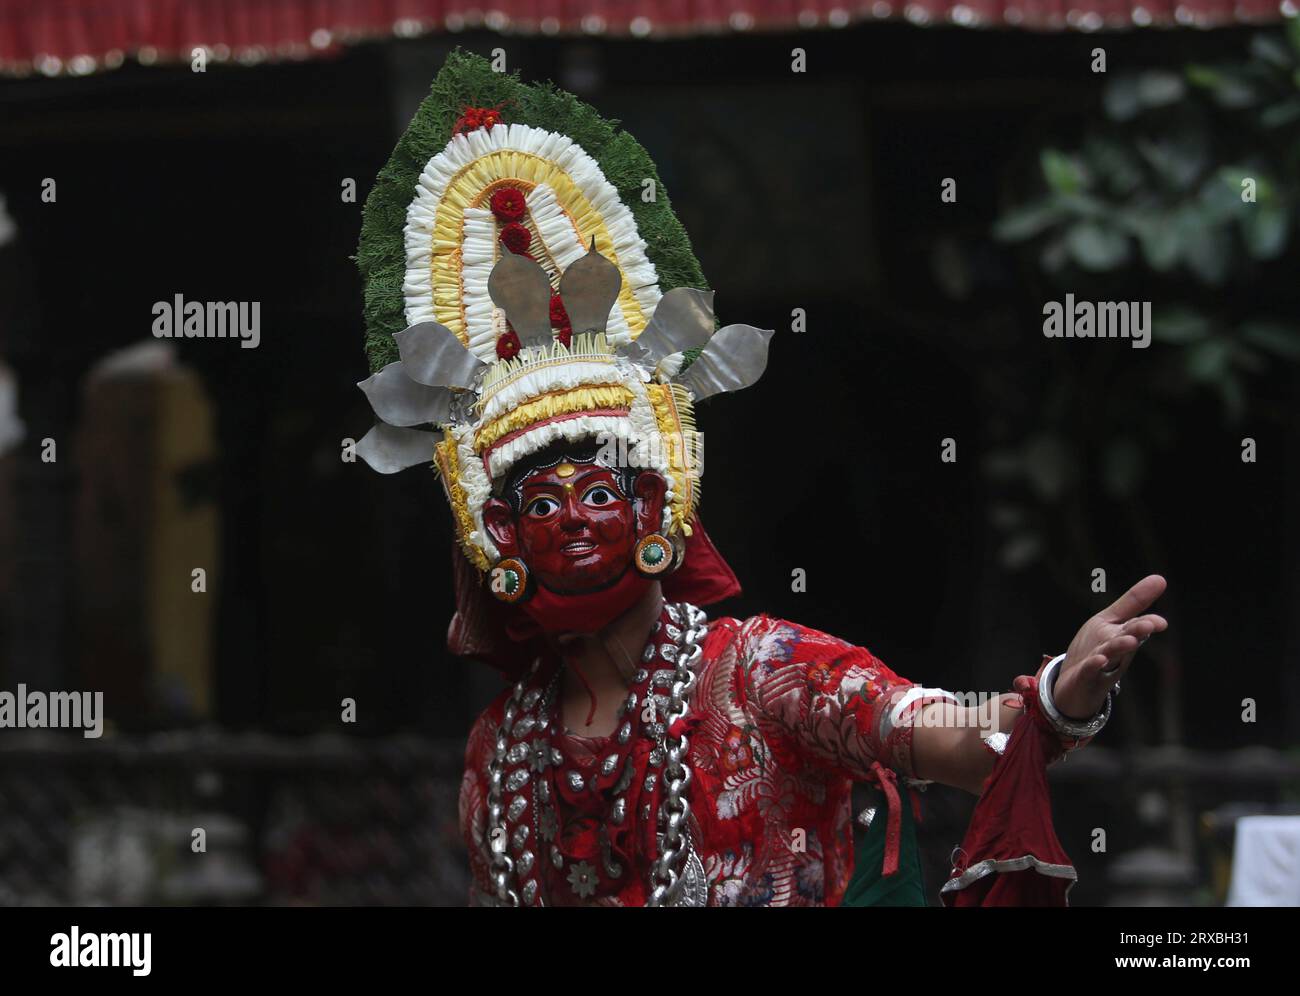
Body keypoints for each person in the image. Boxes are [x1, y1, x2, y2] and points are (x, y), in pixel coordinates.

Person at [354, 51, 1167, 907]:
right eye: (543, 503)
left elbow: (952, 739)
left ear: (655, 506)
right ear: (501, 537)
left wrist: (1058, 696)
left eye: (598, 493)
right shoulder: (502, 746)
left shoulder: (763, 673)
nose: (575, 521)